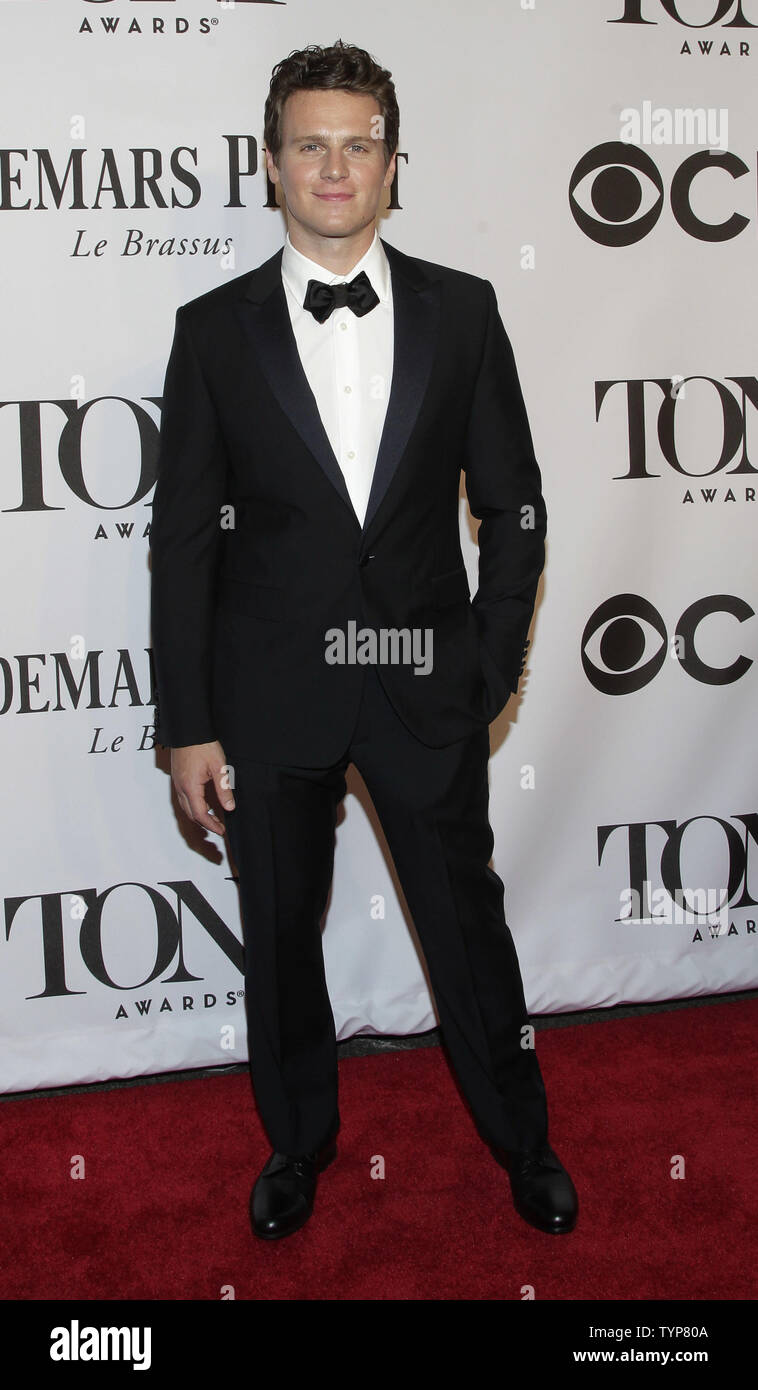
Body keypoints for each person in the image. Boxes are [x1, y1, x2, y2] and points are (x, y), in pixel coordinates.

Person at [149, 39, 578, 1240]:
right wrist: (187, 723)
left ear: (394, 164)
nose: (334, 167)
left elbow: (515, 505)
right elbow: (183, 540)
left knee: (466, 926)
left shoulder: (466, 310)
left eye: (358, 144)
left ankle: (522, 1138)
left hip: (422, 686)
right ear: (271, 164)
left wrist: (487, 666)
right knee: (280, 940)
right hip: (270, 693)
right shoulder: (213, 331)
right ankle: (297, 1145)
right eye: (309, 145)